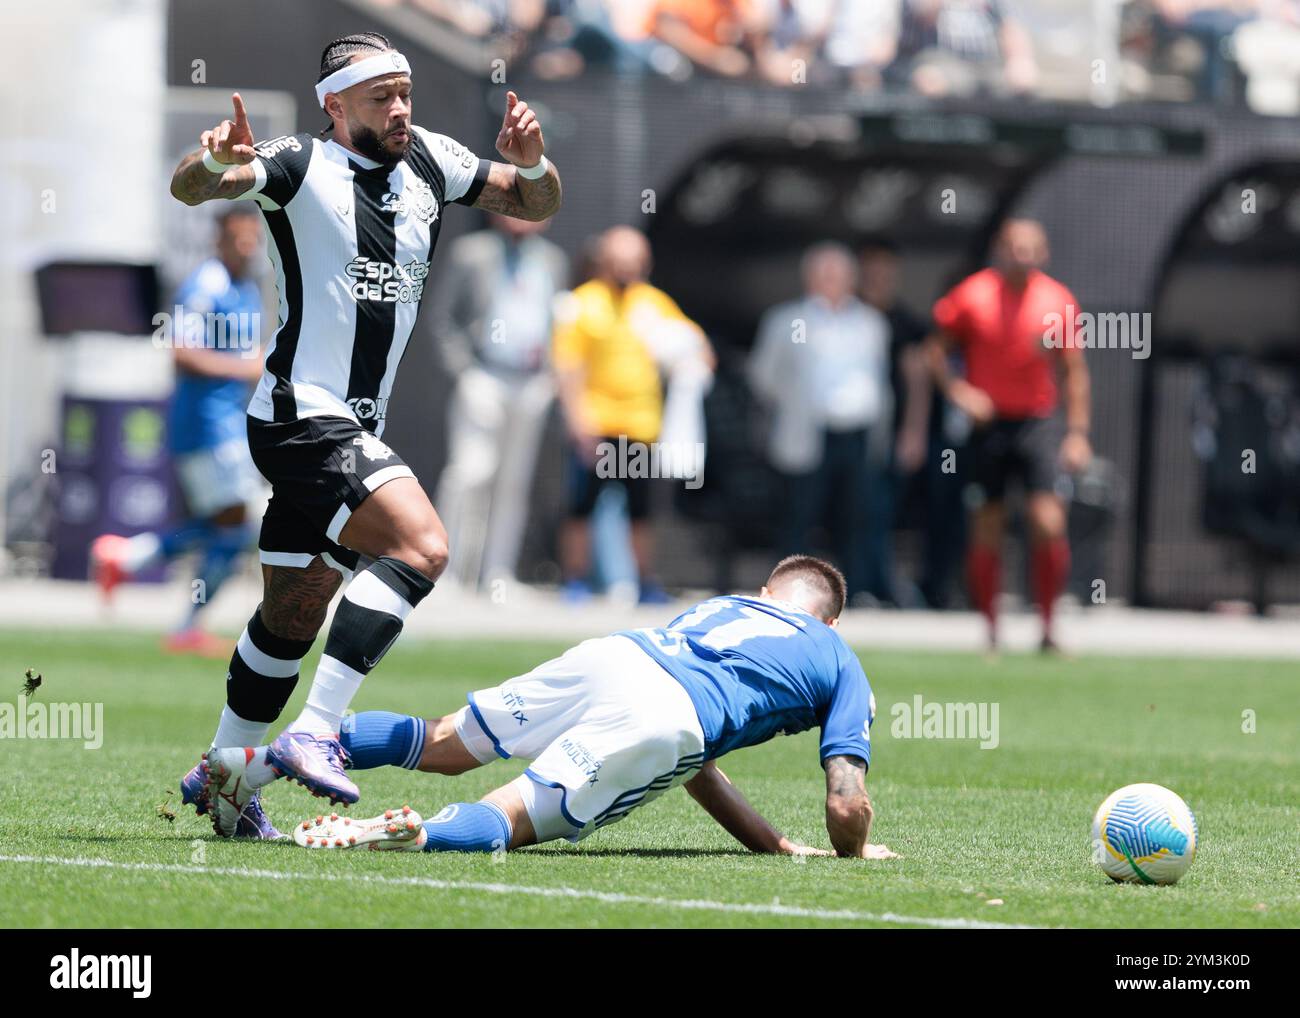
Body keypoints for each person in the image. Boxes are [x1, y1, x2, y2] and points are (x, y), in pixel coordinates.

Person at [167, 30, 562, 837]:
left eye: (406, 92)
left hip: (350, 426)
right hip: (301, 414)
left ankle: (226, 778)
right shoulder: (298, 163)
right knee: (422, 546)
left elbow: (535, 202)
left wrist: (534, 162)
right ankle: (316, 731)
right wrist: (210, 161)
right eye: (381, 96)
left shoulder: (434, 161)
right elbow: (195, 187)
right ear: (334, 105)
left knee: (294, 611)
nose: (400, 108)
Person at [205, 555, 898, 860]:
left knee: (444, 741)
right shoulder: (838, 658)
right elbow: (845, 803)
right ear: (829, 620)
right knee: (508, 820)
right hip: (665, 716)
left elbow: (701, 768)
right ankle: (406, 835)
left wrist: (771, 843)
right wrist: (857, 849)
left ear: (767, 590)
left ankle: (246, 767)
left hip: (612, 657)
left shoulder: (725, 608)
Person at [90, 207, 265, 656]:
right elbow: (181, 351)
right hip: (206, 425)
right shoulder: (206, 285)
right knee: (242, 525)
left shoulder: (248, 287)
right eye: (239, 239)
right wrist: (248, 367)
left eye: (253, 238)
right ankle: (184, 621)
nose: (247, 247)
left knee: (230, 527)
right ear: (220, 240)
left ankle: (126, 558)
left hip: (230, 425)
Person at [925, 219, 1091, 653]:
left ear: (1044, 253)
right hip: (989, 426)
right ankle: (991, 631)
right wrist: (960, 392)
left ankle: (1049, 627)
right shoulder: (971, 295)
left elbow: (1073, 371)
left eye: (1030, 247)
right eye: (1014, 247)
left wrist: (1076, 433)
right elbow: (935, 352)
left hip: (1039, 423)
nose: (1022, 255)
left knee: (1048, 522)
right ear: (1000, 249)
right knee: (987, 525)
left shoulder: (1058, 300)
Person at [553, 225, 710, 604]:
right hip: (598, 422)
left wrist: (690, 360)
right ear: (604, 262)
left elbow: (699, 347)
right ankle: (575, 581)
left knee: (641, 512)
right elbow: (567, 366)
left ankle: (645, 583)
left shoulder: (654, 304)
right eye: (620, 262)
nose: (627, 270)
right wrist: (578, 420)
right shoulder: (582, 304)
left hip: (641, 426)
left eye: (634, 262)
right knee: (581, 508)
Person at [749, 242, 892, 603]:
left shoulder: (870, 322)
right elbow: (764, 376)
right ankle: (786, 593)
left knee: (857, 515)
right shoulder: (786, 320)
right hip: (807, 432)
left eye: (839, 275)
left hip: (857, 432)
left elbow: (879, 376)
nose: (832, 281)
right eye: (825, 274)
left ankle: (856, 591)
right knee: (800, 515)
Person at [432, 214, 569, 591]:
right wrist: (465, 372)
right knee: (470, 473)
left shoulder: (553, 260)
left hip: (531, 383)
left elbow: (557, 323)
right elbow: (444, 320)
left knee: (513, 483)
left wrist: (551, 377)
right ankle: (448, 574)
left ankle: (497, 576)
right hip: (484, 375)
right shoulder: (472, 253)